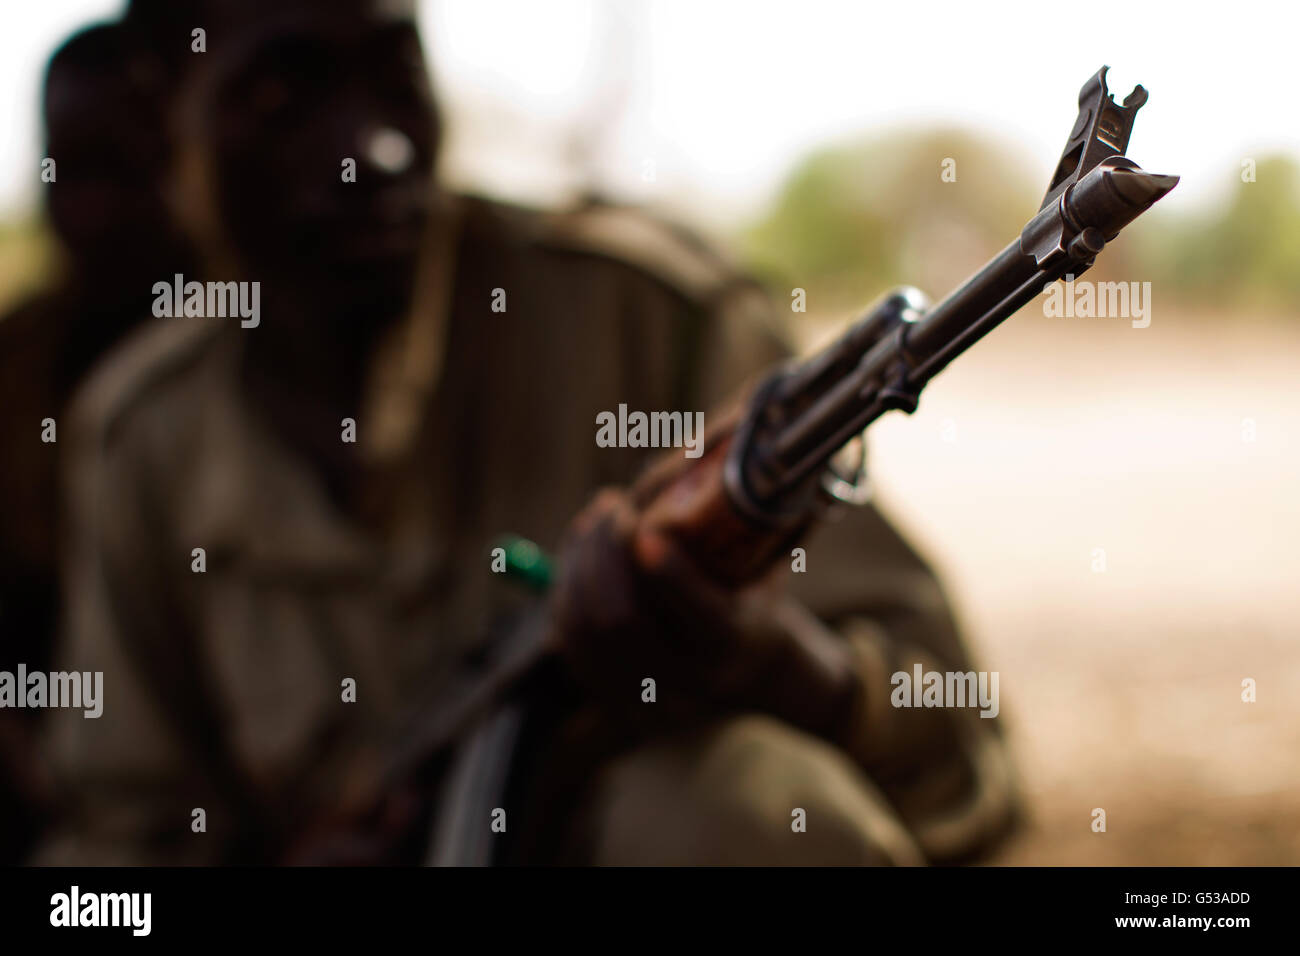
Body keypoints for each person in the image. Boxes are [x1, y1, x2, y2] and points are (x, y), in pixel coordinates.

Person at [38, 0, 1017, 865]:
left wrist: (783, 669)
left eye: (398, 72)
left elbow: (964, 747)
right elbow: (109, 856)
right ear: (170, 126)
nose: (374, 149)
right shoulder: (141, 435)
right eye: (282, 93)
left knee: (740, 806)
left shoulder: (653, 321)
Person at [0, 19, 191, 863]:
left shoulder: (247, 366)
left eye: (122, 170)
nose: (89, 208)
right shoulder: (20, 355)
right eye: (64, 170)